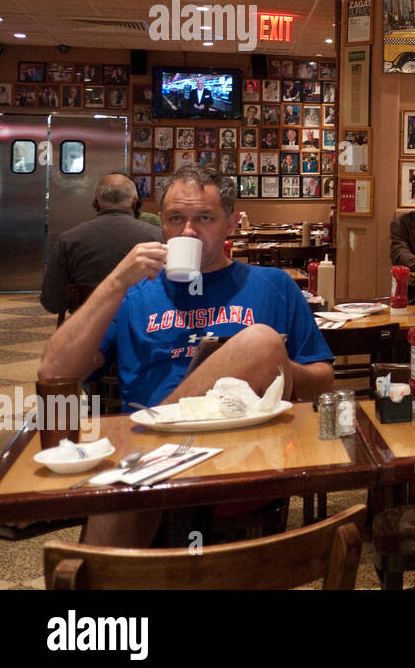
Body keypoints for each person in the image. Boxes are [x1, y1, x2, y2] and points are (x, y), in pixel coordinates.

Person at [38, 165, 335, 545]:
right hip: (145, 463)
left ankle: (152, 444)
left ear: (230, 223)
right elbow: (54, 372)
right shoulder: (136, 293)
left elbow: (324, 385)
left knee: (260, 342)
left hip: (238, 451)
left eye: (204, 219)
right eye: (176, 218)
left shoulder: (272, 285)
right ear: (160, 222)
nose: (187, 232)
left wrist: (270, 363)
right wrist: (115, 281)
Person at [40, 174, 163, 316]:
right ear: (135, 202)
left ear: (96, 203)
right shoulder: (157, 237)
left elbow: (52, 302)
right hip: (143, 328)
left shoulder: (68, 240)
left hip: (88, 330)